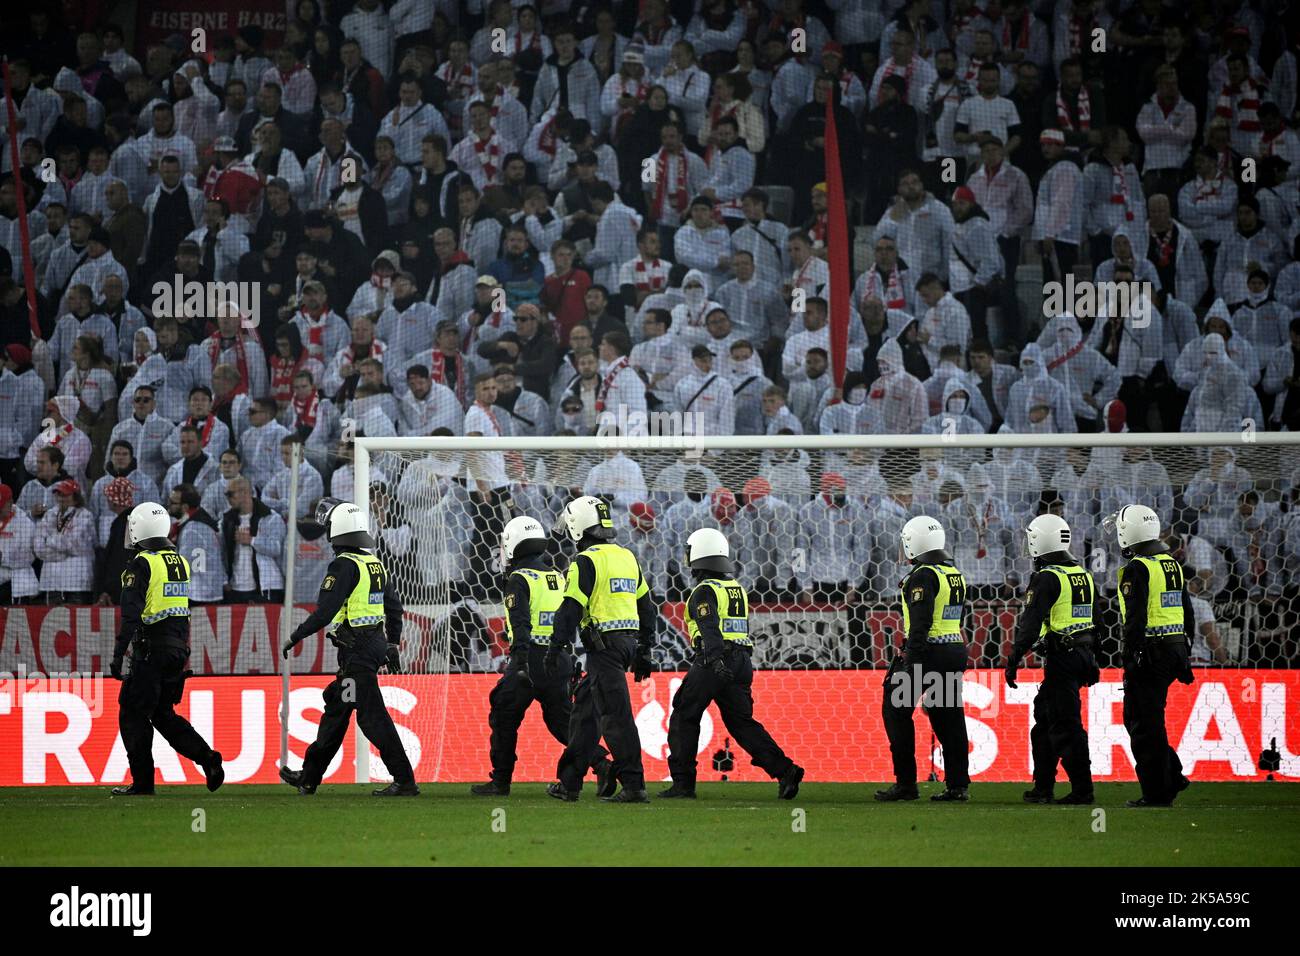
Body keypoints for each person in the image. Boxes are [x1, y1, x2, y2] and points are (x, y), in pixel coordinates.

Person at [279, 499, 418, 796]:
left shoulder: (342, 565)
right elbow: (394, 607)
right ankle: (309, 777)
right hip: (370, 646)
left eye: (329, 527)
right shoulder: (374, 564)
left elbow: (325, 612)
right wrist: (392, 644)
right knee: (337, 708)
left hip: (357, 651)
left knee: (371, 717)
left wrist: (295, 636)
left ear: (337, 531)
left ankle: (405, 780)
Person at [470, 516, 613, 797]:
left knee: (503, 714)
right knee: (562, 722)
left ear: (512, 545)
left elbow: (521, 622)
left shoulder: (518, 579)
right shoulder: (557, 576)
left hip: (530, 658)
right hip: (558, 658)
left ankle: (500, 781)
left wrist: (520, 663)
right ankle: (601, 763)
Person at [660, 528, 804, 800]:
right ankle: (785, 770)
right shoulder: (734, 588)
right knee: (742, 723)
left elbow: (710, 628)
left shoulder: (704, 591)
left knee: (684, 715)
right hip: (742, 661)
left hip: (714, 660)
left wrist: (713, 661)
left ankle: (683, 783)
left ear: (699, 555)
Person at [108, 502, 225, 795]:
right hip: (176, 649)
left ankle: (144, 783)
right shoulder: (179, 561)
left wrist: (118, 653)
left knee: (133, 713)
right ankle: (207, 758)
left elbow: (132, 614)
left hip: (150, 650)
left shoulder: (141, 563)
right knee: (162, 714)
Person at [547, 495, 655, 803]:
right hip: (627, 645)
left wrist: (557, 647)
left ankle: (634, 786)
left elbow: (569, 609)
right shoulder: (626, 556)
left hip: (603, 649)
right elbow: (647, 607)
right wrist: (646, 648)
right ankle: (569, 784)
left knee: (614, 717)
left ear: (578, 527)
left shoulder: (586, 561)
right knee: (584, 711)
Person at [1005, 514, 1100, 805]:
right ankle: (1043, 786)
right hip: (1081, 653)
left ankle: (1082, 790)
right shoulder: (1082, 574)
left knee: (1064, 724)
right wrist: (1092, 658)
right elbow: (1096, 620)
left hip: (1063, 656)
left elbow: (1030, 623)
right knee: (1045, 721)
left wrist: (1014, 657)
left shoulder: (1047, 577)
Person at [877, 515, 971, 802]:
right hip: (953, 649)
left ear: (912, 543)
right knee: (948, 716)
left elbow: (920, 623)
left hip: (928, 652)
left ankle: (906, 784)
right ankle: (957, 786)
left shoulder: (922, 576)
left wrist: (911, 660)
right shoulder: (952, 573)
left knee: (895, 709)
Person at [1106, 504, 1194, 807]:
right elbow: (1186, 609)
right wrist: (1186, 650)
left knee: (1143, 722)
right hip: (1173, 647)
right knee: (1147, 719)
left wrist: (1129, 654)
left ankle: (1157, 792)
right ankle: (1172, 775)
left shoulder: (1138, 567)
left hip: (1151, 651)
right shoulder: (1170, 564)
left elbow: (1135, 617)